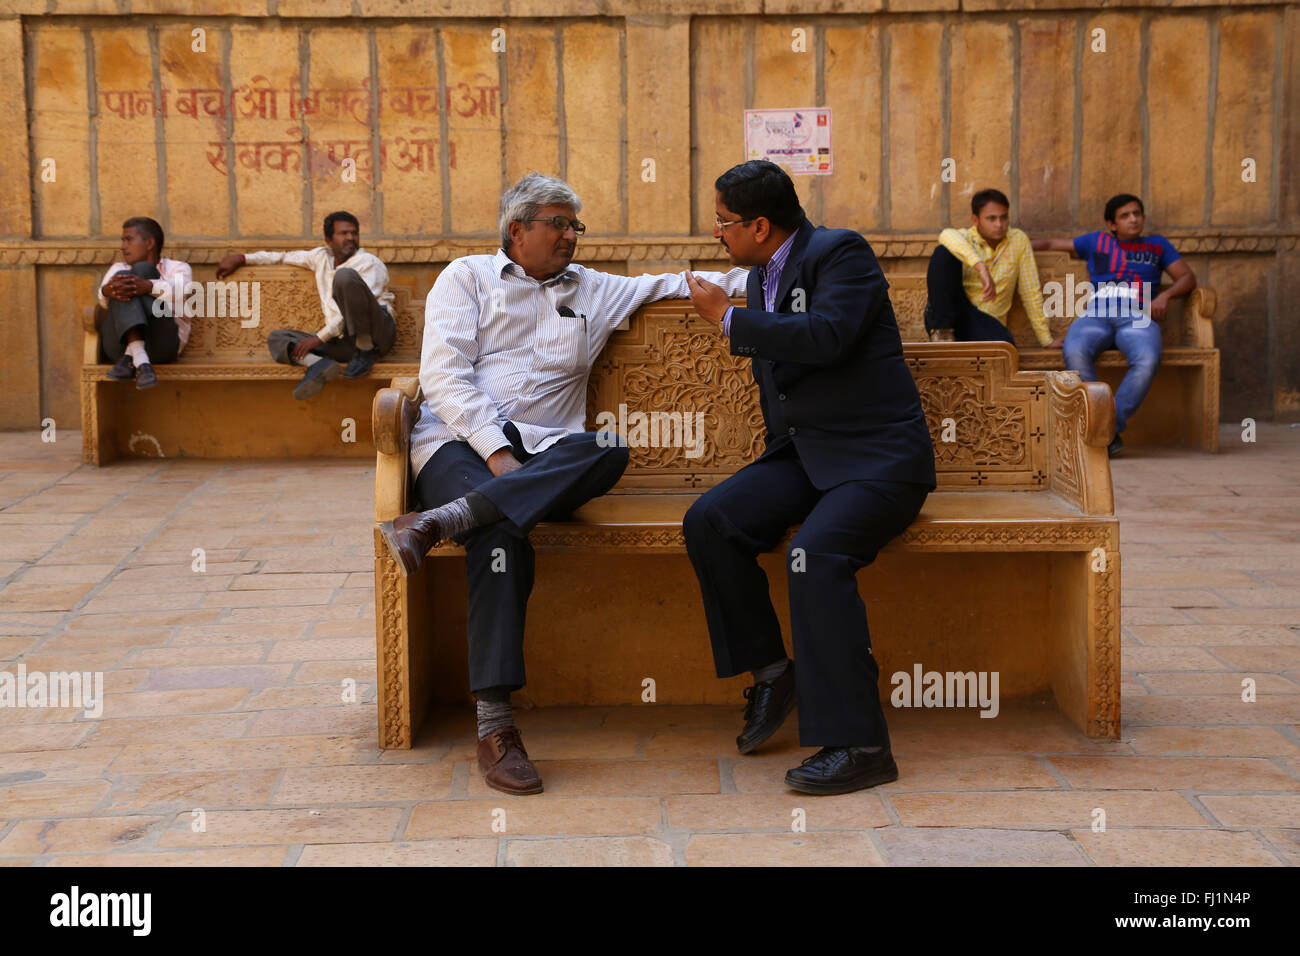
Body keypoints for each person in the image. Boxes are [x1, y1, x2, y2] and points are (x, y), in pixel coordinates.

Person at [377, 172, 749, 796]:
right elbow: (442, 379)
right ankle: (496, 728)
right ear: (517, 230)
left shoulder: (597, 289)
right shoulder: (465, 278)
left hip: (550, 454)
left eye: (576, 225)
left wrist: (799, 272)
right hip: (459, 443)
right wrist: (497, 456)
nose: (572, 236)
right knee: (499, 541)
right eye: (560, 223)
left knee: (606, 448)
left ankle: (440, 522)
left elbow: (683, 283)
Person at [679, 160, 937, 795]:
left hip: (878, 461)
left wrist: (729, 319)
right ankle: (772, 673)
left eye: (724, 222)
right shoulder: (762, 272)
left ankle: (862, 745)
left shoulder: (838, 252)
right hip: (808, 455)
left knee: (814, 556)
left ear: (760, 225)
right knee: (711, 521)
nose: (717, 233)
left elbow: (827, 336)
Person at [1032, 193, 1197, 456]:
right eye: (1125, 216)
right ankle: (1102, 428)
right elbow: (1052, 242)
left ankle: (1105, 429)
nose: (1133, 219)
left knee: (1147, 359)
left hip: (1137, 313)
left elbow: (1187, 277)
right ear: (1111, 224)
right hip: (1097, 311)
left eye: (1137, 214)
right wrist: (1016, 245)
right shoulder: (1096, 241)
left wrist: (1165, 295)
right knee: (1074, 352)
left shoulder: (1157, 246)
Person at [215, 211, 396, 400]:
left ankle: (365, 350)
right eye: (343, 233)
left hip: (377, 335)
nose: (350, 238)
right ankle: (318, 364)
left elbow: (362, 309)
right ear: (328, 239)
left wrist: (319, 338)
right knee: (277, 338)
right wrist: (242, 258)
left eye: (354, 233)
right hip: (345, 341)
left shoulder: (369, 263)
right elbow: (282, 257)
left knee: (345, 277)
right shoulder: (320, 257)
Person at [924, 188, 1059, 349]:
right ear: (975, 220)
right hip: (952, 315)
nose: (999, 224)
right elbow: (945, 235)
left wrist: (1046, 339)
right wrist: (980, 266)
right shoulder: (965, 237)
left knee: (1006, 349)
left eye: (1004, 217)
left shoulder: (1018, 240)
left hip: (985, 321)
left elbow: (1030, 291)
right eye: (991, 218)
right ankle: (942, 334)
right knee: (944, 252)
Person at [97, 217, 192, 389]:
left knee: (142, 271)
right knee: (124, 277)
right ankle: (141, 361)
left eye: (129, 240)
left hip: (162, 346)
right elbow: (103, 300)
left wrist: (148, 286)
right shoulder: (119, 268)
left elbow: (181, 289)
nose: (123, 246)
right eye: (123, 241)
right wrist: (106, 291)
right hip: (118, 347)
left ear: (149, 243)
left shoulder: (178, 268)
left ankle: (133, 356)